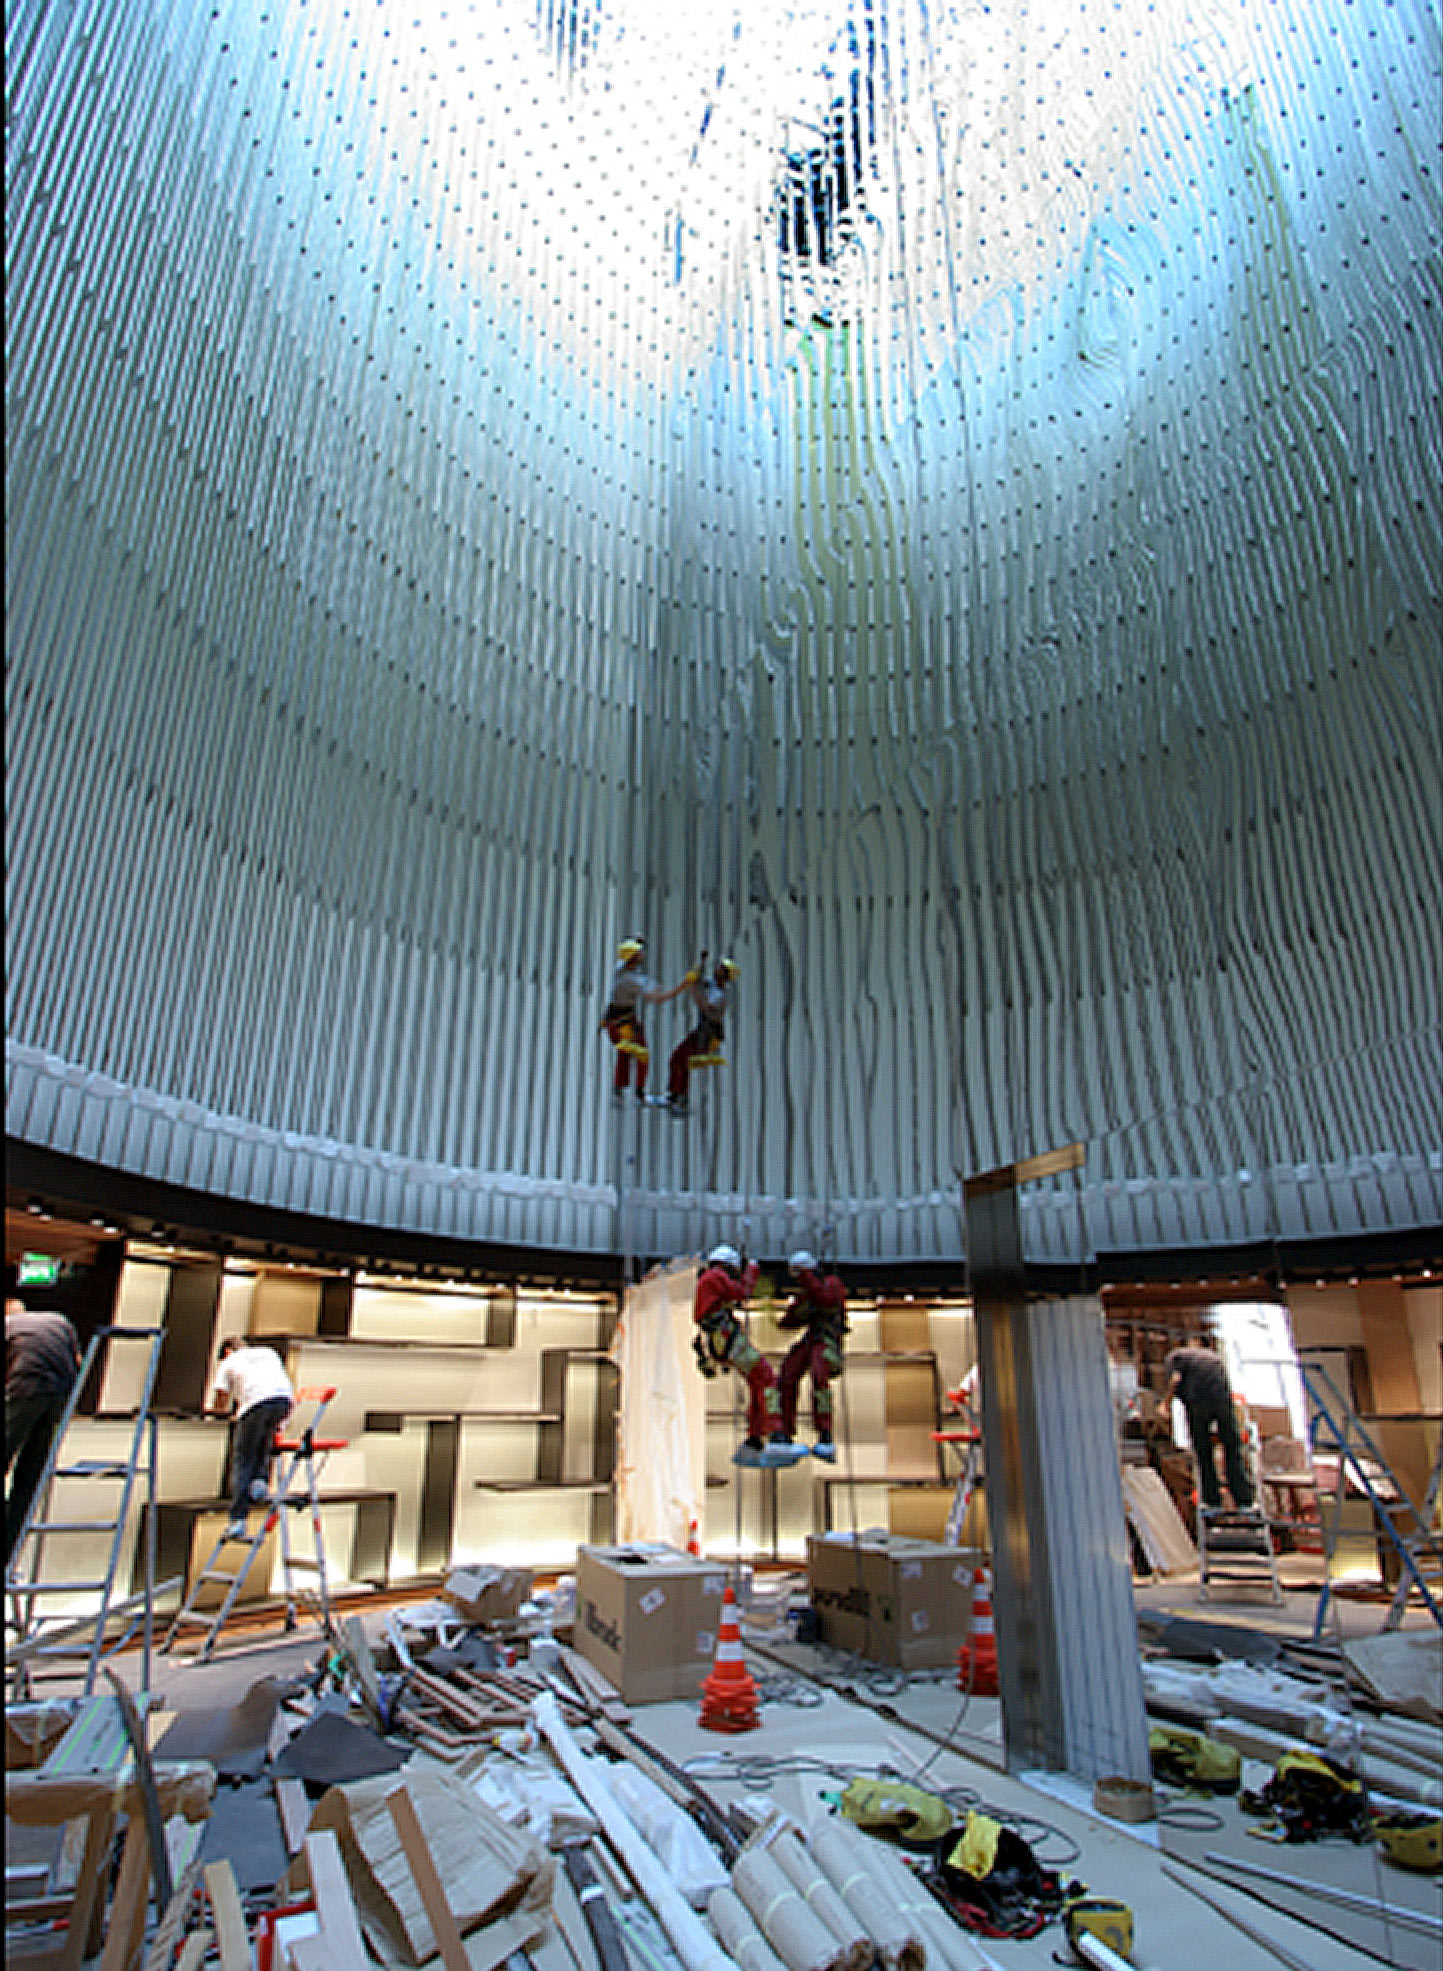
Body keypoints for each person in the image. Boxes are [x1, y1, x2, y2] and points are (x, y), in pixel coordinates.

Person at [692, 1244, 800, 1466]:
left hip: (721, 1341)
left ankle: (754, 1439)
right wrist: (752, 1270)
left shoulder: (708, 1280)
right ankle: (776, 1434)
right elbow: (742, 1292)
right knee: (767, 1377)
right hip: (727, 1339)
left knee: (756, 1382)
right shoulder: (715, 1276)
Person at [6, 1295, 82, 1567]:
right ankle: (9, 1549)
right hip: (60, 1396)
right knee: (30, 1473)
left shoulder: (8, 1325)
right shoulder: (59, 1321)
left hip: (26, 1389)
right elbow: (77, 1360)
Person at [210, 1336, 295, 1539]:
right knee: (263, 1443)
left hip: (255, 1404)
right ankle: (260, 1481)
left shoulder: (228, 1362)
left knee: (243, 1459)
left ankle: (238, 1519)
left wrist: (220, 1412)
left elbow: (221, 1400)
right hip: (284, 1401)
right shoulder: (268, 1352)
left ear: (227, 1351)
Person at [1165, 1342, 1255, 1512]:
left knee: (1204, 1452)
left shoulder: (1174, 1358)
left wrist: (1166, 1403)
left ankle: (1213, 1501)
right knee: (1232, 1448)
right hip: (1222, 1398)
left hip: (1199, 1401)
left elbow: (1175, 1379)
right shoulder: (1210, 1357)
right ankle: (1244, 1501)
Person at [776, 1250, 848, 1460]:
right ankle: (784, 1430)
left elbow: (826, 1300)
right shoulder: (811, 1293)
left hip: (825, 1340)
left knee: (819, 1378)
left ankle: (825, 1432)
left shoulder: (832, 1284)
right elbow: (794, 1317)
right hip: (812, 1340)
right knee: (788, 1375)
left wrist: (806, 1280)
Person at [599, 937, 687, 1103]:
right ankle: (639, 1093)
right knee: (642, 1054)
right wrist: (681, 987)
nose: (642, 954)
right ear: (633, 958)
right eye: (639, 952)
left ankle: (619, 1088)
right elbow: (657, 997)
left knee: (625, 1054)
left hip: (616, 1022)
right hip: (623, 1025)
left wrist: (637, 942)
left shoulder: (620, 968)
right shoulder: (633, 981)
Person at [666, 955, 738, 1114]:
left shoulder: (720, 997)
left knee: (681, 1059)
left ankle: (679, 1096)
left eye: (720, 968)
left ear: (724, 975)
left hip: (708, 1036)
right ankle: (676, 1095)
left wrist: (692, 988)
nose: (716, 969)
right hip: (702, 1032)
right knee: (677, 1058)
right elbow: (698, 979)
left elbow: (703, 1005)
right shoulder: (712, 985)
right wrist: (701, 962)